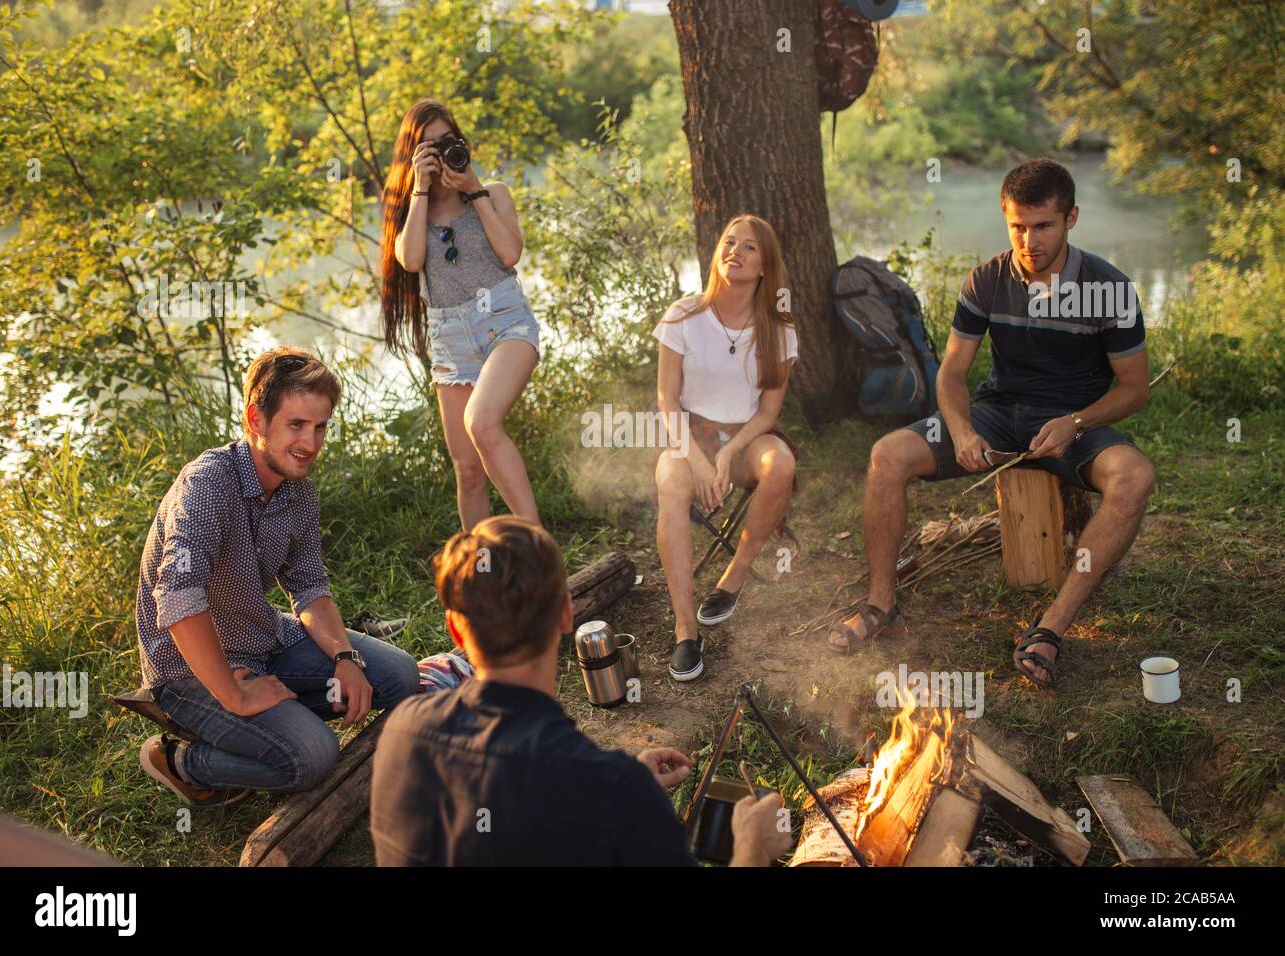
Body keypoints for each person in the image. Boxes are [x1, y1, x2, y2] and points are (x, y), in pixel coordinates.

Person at [828, 158, 1155, 689]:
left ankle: (1050, 628)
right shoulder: (985, 281)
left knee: (1135, 476)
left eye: (1043, 225)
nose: (1029, 241)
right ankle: (882, 606)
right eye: (1017, 226)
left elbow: (1134, 389)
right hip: (999, 413)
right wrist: (961, 430)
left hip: (1077, 423)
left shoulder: (1110, 289)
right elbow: (952, 376)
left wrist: (1076, 421)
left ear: (1071, 217)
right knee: (887, 455)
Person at [134, 348, 470, 807]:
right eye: (296, 425)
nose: (310, 444)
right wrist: (235, 694)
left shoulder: (298, 491)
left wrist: (346, 658)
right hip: (187, 669)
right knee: (313, 757)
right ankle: (183, 761)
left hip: (264, 636)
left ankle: (276, 718)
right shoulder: (207, 486)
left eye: (320, 427)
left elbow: (310, 588)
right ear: (256, 419)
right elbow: (177, 599)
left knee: (398, 676)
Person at [370, 516, 793, 866]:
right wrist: (751, 851)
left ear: (454, 631)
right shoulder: (613, 791)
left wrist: (614, 786)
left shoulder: (403, 734)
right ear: (567, 615)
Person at [380, 98, 541, 530]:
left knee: (482, 423)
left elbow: (510, 253)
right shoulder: (413, 213)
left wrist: (474, 190)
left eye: (448, 142)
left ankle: (539, 551)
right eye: (428, 148)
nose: (441, 153)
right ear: (413, 156)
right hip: (450, 338)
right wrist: (419, 189)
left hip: (507, 322)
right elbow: (411, 260)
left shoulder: (495, 194)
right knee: (467, 470)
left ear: (462, 143)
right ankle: (480, 580)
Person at [652, 214, 799, 682]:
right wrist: (698, 460)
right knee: (673, 482)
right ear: (717, 254)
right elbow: (666, 399)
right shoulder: (683, 316)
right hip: (687, 434)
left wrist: (727, 454)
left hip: (745, 436)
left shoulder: (778, 329)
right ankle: (685, 628)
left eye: (749, 247)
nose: (735, 251)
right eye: (729, 243)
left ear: (764, 266)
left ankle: (733, 576)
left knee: (781, 463)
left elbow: (768, 413)